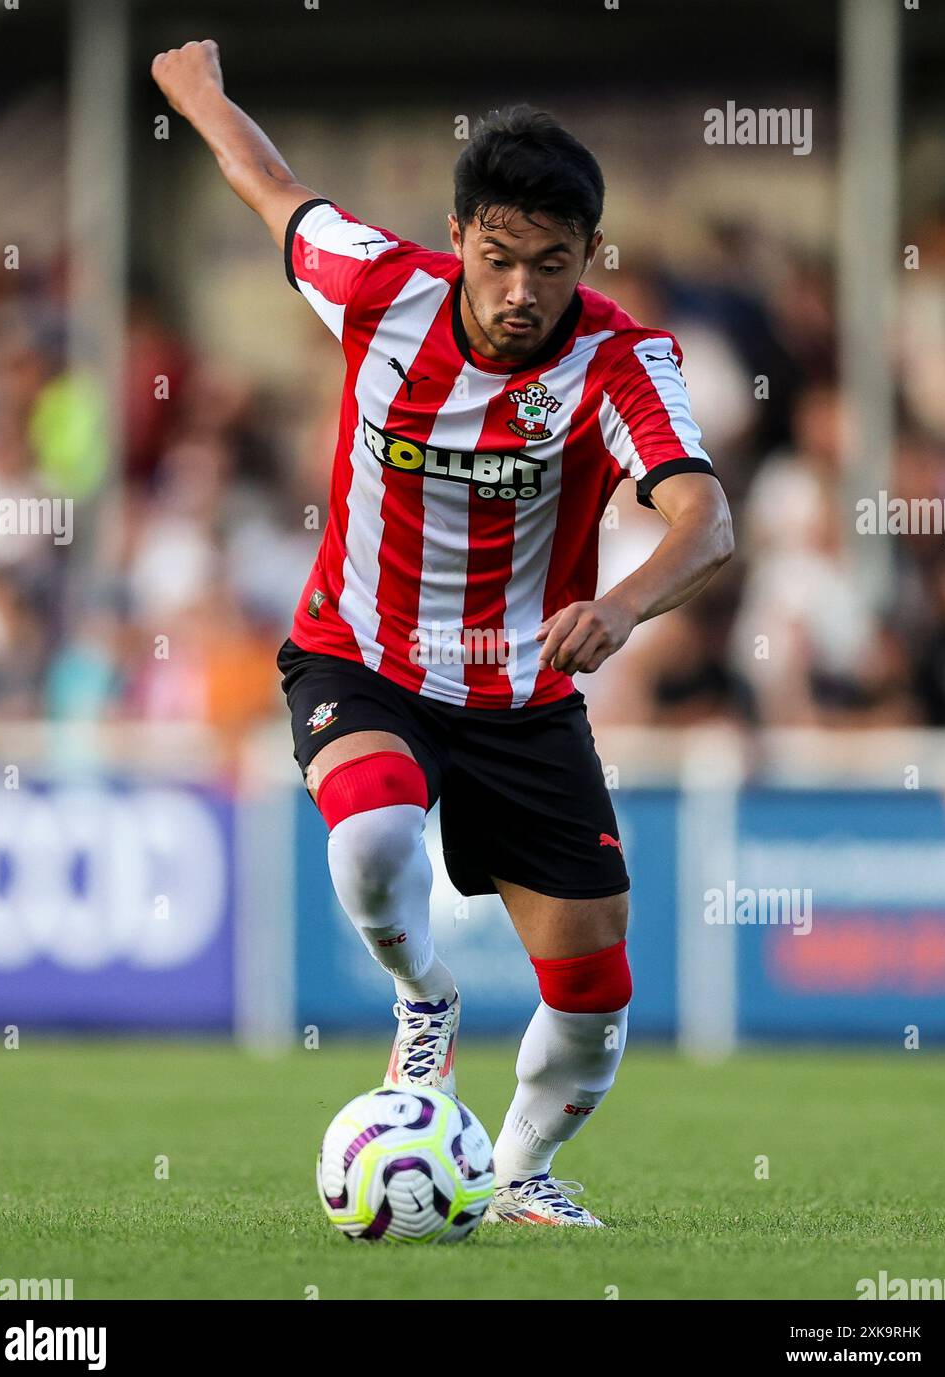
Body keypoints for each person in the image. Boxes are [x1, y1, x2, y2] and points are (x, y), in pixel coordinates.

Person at [152, 40, 734, 1226]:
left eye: (552, 265)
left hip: (521, 699)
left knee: (591, 988)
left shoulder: (622, 361)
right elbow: (270, 187)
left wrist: (619, 607)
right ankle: (424, 1000)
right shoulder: (378, 287)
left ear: (587, 257)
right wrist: (204, 96)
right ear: (459, 233)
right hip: (357, 656)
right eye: (500, 257)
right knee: (369, 840)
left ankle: (518, 1170)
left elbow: (705, 517)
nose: (523, 290)